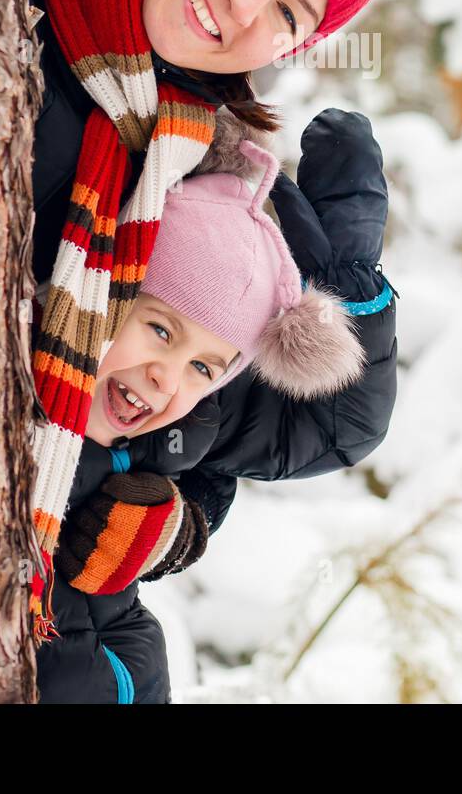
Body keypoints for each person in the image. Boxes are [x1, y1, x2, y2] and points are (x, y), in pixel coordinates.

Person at [20, 0, 424, 640]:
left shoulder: (190, 160)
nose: (245, 9)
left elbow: (301, 424)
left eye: (289, 14)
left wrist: (171, 521)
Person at [35, 128, 386, 703]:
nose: (165, 376)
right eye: (159, 329)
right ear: (104, 293)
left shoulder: (171, 439)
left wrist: (165, 530)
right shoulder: (3, 377)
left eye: (203, 368)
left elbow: (337, 427)